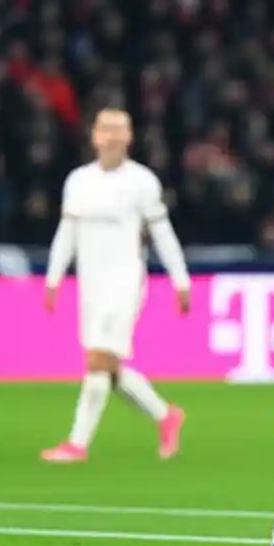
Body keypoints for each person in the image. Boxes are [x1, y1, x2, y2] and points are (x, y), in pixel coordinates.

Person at [41, 109, 190, 463]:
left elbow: (162, 233)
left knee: (97, 361)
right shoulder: (78, 181)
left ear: (129, 137)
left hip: (124, 283)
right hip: (90, 285)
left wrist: (180, 278)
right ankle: (164, 414)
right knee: (106, 365)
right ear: (94, 136)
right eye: (104, 129)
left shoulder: (142, 182)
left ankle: (77, 444)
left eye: (118, 129)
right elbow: (67, 232)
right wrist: (53, 276)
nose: (111, 136)